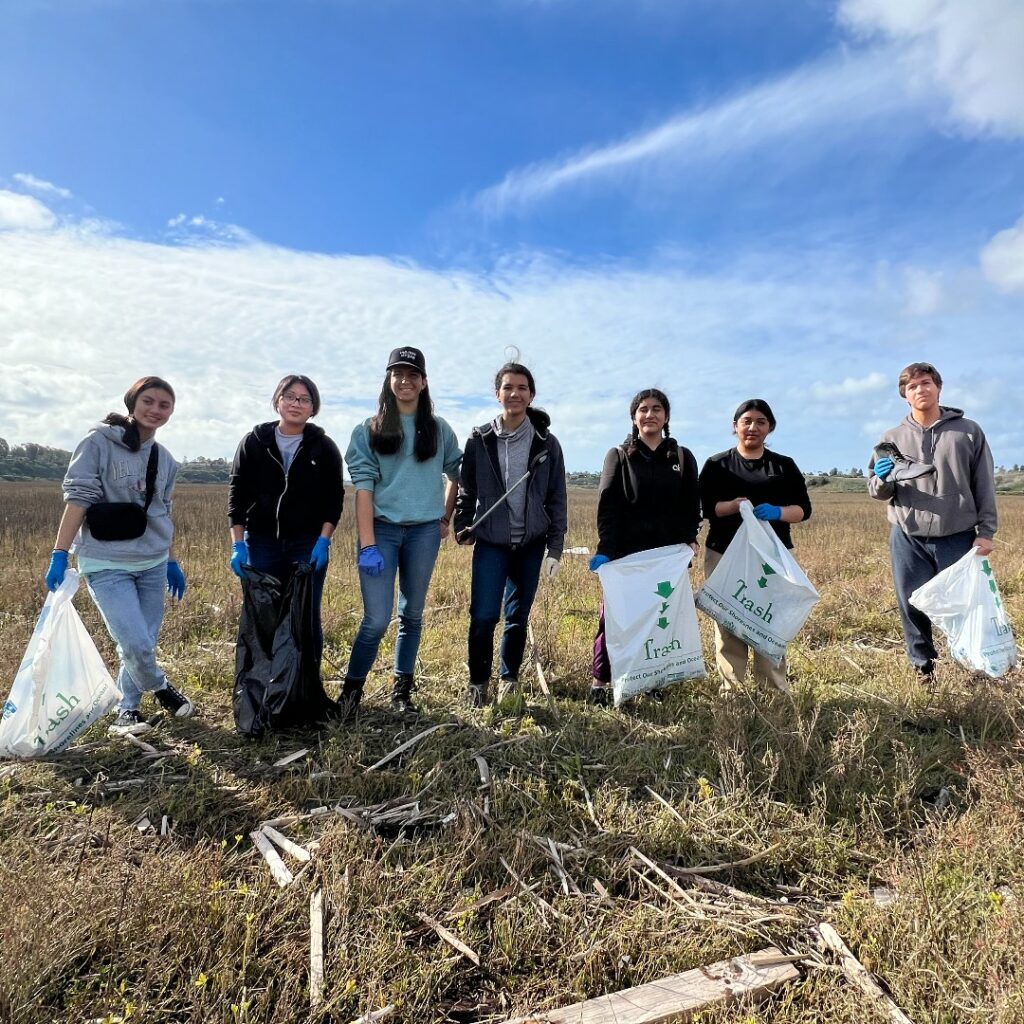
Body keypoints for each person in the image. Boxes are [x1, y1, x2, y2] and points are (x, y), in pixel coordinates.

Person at [44, 376, 194, 736]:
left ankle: (128, 709)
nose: (155, 410)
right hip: (106, 562)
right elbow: (78, 497)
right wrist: (60, 552)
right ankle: (159, 686)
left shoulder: (165, 459)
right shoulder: (97, 442)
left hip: (153, 562)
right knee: (135, 642)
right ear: (132, 402)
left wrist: (171, 559)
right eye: (149, 401)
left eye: (164, 405)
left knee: (145, 640)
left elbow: (161, 512)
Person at [342, 347, 462, 716]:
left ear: (424, 382)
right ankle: (351, 694)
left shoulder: (439, 429)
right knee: (376, 619)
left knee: (412, 613)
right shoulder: (369, 429)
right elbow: (363, 489)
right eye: (398, 374)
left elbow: (456, 473)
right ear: (389, 380)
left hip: (424, 533)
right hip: (382, 532)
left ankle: (401, 692)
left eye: (413, 375)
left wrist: (444, 518)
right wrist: (368, 545)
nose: (405, 381)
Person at [868, 362, 996, 686]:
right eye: (912, 386)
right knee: (912, 605)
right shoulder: (890, 438)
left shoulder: (967, 431)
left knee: (962, 608)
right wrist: (881, 479)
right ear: (904, 395)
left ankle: (971, 669)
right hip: (908, 536)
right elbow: (878, 491)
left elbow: (984, 483)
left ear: (938, 387)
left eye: (926, 383)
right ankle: (924, 671)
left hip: (958, 534)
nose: (920, 390)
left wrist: (986, 532)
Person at [454, 362, 567, 707]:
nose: (514, 393)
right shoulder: (480, 440)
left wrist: (555, 549)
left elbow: (557, 497)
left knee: (517, 617)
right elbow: (467, 489)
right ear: (497, 393)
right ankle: (477, 683)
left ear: (531, 394)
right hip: (491, 543)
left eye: (521, 387)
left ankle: (509, 680)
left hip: (530, 544)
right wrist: (462, 522)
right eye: (508, 387)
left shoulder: (547, 442)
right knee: (484, 615)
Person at [588, 389, 700, 706]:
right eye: (643, 409)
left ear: (666, 416)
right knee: (613, 619)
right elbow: (607, 505)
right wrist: (605, 549)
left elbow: (691, 503)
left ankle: (650, 680)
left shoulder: (681, 457)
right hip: (626, 554)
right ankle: (601, 682)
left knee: (659, 618)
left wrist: (689, 537)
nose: (649, 414)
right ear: (634, 416)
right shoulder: (619, 455)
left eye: (656, 409)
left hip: (667, 556)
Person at [227, 374, 344, 673]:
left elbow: (334, 498)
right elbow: (237, 496)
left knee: (304, 615)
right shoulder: (254, 442)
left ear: (313, 408)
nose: (296, 403)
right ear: (277, 400)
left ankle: (304, 688)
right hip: (262, 542)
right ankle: (264, 688)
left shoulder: (324, 447)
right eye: (290, 396)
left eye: (304, 399)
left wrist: (323, 541)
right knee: (265, 614)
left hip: (306, 543)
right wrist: (238, 544)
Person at [698, 399, 811, 695]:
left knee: (769, 620)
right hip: (723, 554)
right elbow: (706, 507)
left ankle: (772, 688)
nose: (753, 427)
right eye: (746, 421)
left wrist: (777, 512)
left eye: (761, 422)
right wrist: (733, 506)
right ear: (734, 426)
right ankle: (732, 690)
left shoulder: (783, 466)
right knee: (728, 619)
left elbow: (802, 510)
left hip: (771, 559)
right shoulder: (716, 465)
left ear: (770, 428)